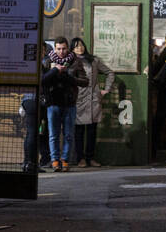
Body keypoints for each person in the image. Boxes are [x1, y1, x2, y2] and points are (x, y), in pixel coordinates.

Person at [41, 37, 85, 172]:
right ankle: (55, 160)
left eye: (64, 48)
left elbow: (85, 82)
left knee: (68, 134)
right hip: (53, 103)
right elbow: (42, 81)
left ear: (68, 48)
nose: (61, 52)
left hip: (69, 103)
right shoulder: (47, 62)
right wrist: (54, 72)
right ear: (54, 48)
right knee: (53, 134)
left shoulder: (76, 62)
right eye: (58, 49)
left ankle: (64, 160)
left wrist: (69, 77)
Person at [70, 36, 114, 167]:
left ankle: (90, 157)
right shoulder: (70, 61)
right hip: (77, 99)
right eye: (77, 46)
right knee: (78, 131)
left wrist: (106, 89)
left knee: (92, 130)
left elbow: (110, 72)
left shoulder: (93, 60)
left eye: (81, 45)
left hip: (93, 99)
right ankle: (80, 159)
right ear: (72, 49)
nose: (80, 48)